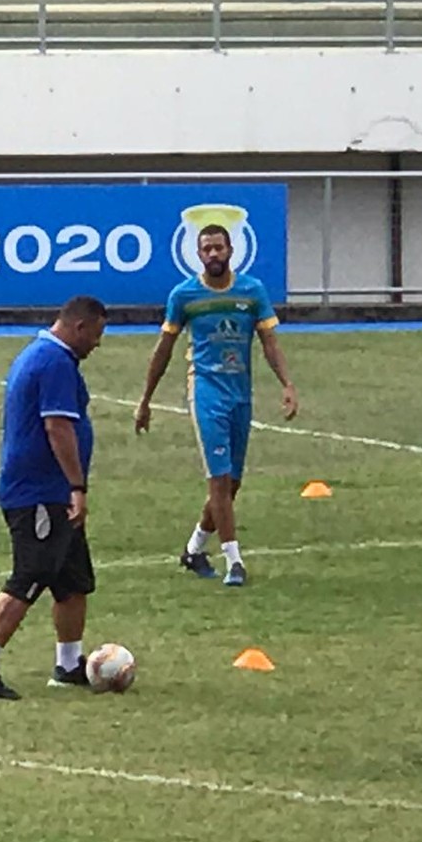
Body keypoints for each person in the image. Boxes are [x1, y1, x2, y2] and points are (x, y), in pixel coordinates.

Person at [0, 295, 108, 701]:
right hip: (39, 492)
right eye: (96, 334)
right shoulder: (54, 363)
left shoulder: (41, 355)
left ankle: (69, 663)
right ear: (78, 327)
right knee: (31, 574)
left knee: (73, 580)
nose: (97, 344)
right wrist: (77, 485)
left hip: (50, 491)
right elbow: (57, 427)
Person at [134, 224, 298, 587]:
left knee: (232, 484)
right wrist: (145, 399)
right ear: (197, 254)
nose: (213, 254)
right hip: (206, 393)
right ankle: (234, 561)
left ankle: (193, 549)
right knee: (219, 481)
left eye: (218, 248)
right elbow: (164, 349)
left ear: (230, 250)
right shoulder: (184, 296)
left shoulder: (252, 292)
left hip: (241, 393)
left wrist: (287, 384)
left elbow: (270, 342)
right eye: (206, 248)